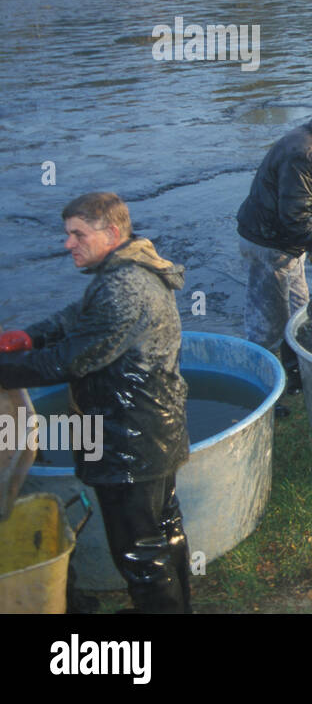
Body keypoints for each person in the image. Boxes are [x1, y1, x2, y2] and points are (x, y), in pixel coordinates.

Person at [0, 192, 192, 613]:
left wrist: (7, 370)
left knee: (138, 551)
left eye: (77, 234)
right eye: (67, 234)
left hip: (128, 438)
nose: (67, 243)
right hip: (157, 425)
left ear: (110, 232)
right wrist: (32, 335)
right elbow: (77, 316)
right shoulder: (130, 266)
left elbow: (71, 360)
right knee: (163, 526)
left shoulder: (123, 288)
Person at [236, 94, 312, 394]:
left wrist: (310, 242)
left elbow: (299, 212)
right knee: (268, 326)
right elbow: (293, 213)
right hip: (268, 245)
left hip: (289, 246)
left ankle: (295, 378)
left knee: (300, 312)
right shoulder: (302, 151)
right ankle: (262, 392)